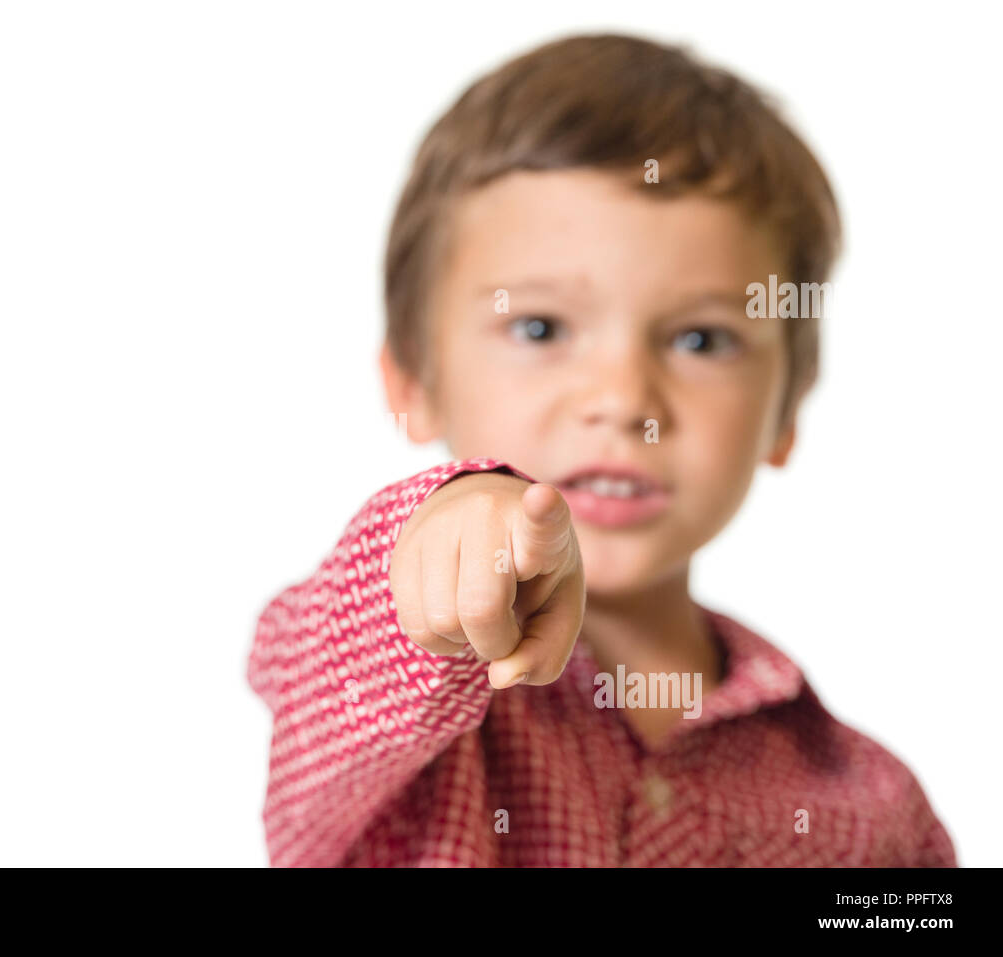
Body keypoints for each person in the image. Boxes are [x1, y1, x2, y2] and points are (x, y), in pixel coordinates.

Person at [247, 33, 955, 867]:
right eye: (539, 327)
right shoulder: (388, 695)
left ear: (787, 411)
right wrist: (454, 517)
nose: (623, 399)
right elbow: (345, 646)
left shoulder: (872, 803)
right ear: (412, 378)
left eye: (701, 339)